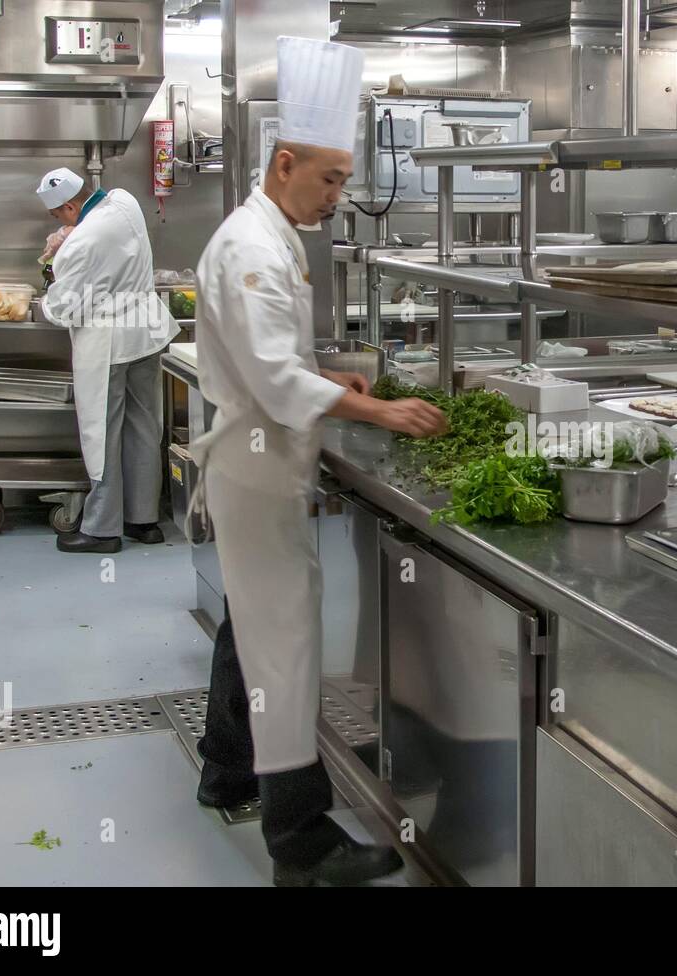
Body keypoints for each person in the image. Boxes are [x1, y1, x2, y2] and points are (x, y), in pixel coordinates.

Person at [190, 36, 446, 887]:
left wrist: (322, 378)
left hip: (263, 460)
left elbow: (275, 359)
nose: (340, 196)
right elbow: (270, 373)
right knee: (284, 643)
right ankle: (300, 845)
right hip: (256, 467)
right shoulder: (256, 246)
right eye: (330, 179)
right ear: (286, 161)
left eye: (345, 181)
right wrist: (375, 406)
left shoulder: (268, 230)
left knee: (254, 624)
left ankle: (225, 769)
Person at [38, 168, 179, 552]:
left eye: (58, 216)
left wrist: (53, 265)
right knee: (145, 427)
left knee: (101, 431)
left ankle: (101, 530)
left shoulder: (80, 243)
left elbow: (65, 307)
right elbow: (108, 240)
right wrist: (70, 236)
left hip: (109, 344)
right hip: (146, 333)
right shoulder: (125, 200)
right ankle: (144, 520)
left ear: (68, 206)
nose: (58, 222)